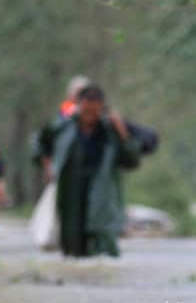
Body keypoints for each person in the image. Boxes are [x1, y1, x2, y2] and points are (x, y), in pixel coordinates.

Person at [35, 85, 140, 258]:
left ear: (101, 108)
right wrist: (48, 166)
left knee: (105, 249)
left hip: (103, 198)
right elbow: (39, 144)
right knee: (71, 249)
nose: (89, 116)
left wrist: (122, 132)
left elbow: (132, 160)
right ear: (78, 105)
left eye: (94, 112)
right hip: (71, 196)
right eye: (86, 111)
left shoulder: (111, 130)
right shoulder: (62, 126)